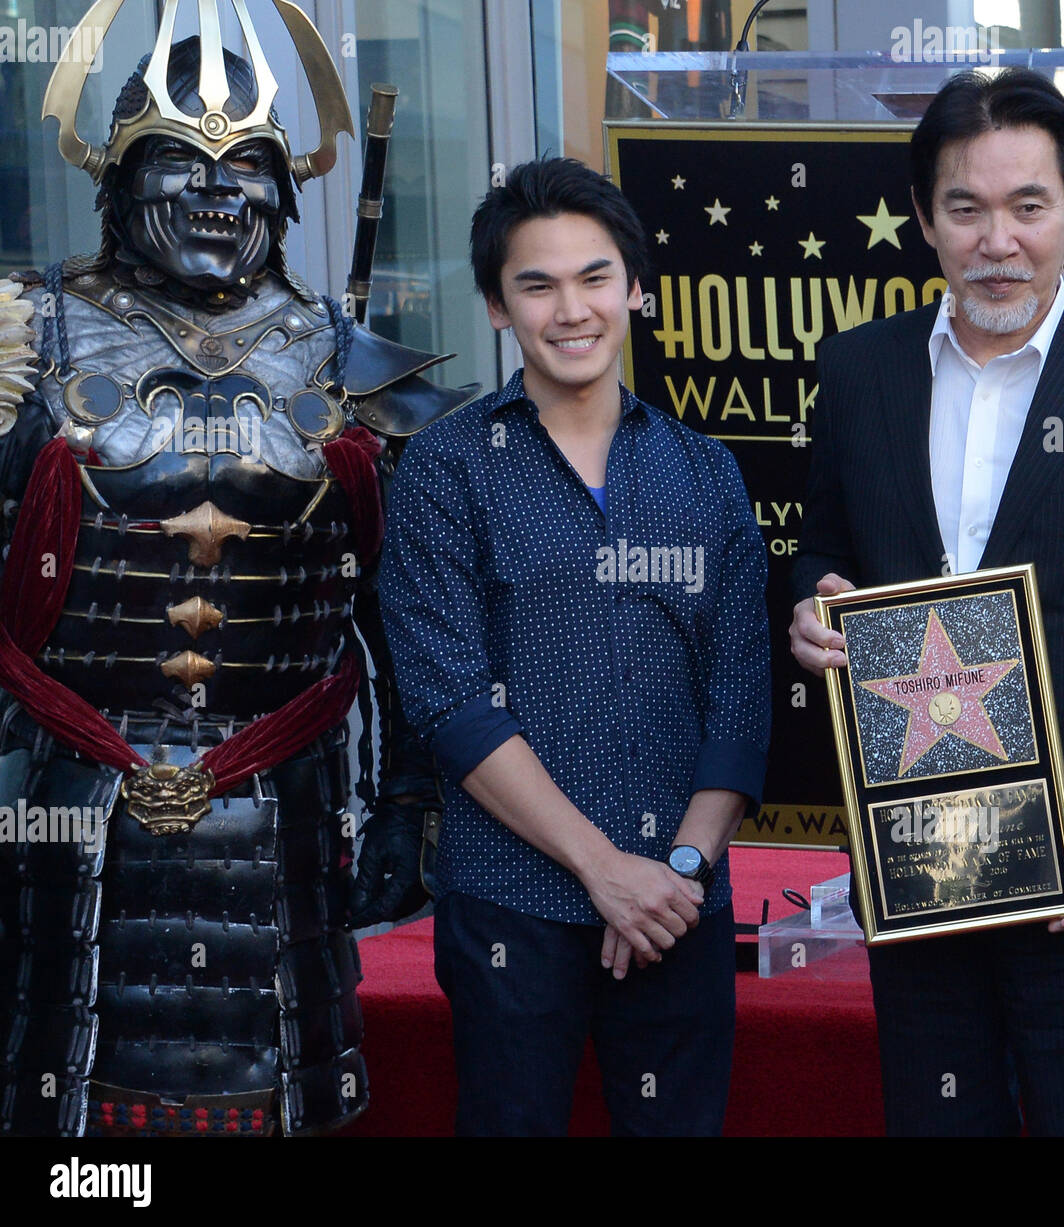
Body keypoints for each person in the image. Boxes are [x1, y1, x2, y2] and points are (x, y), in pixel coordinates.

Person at [0, 5, 463, 1136]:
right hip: (64, 802)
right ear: (117, 177)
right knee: (65, 1109)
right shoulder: (27, 338)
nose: (217, 191)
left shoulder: (345, 360)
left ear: (286, 187)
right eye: (180, 161)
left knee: (286, 1098)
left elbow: (399, 616)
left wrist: (407, 803)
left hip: (285, 810)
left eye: (245, 167)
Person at [789, 69, 1064, 1136]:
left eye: (1028, 206)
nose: (999, 239)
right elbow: (820, 559)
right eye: (966, 207)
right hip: (920, 864)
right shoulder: (857, 374)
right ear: (923, 218)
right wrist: (811, 614)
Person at [379, 157, 770, 1136]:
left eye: (594, 277)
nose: (571, 309)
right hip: (512, 907)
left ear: (636, 289)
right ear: (497, 307)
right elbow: (451, 706)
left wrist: (679, 869)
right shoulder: (444, 469)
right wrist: (603, 869)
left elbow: (739, 700)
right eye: (536, 283)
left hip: (680, 904)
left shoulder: (705, 472)